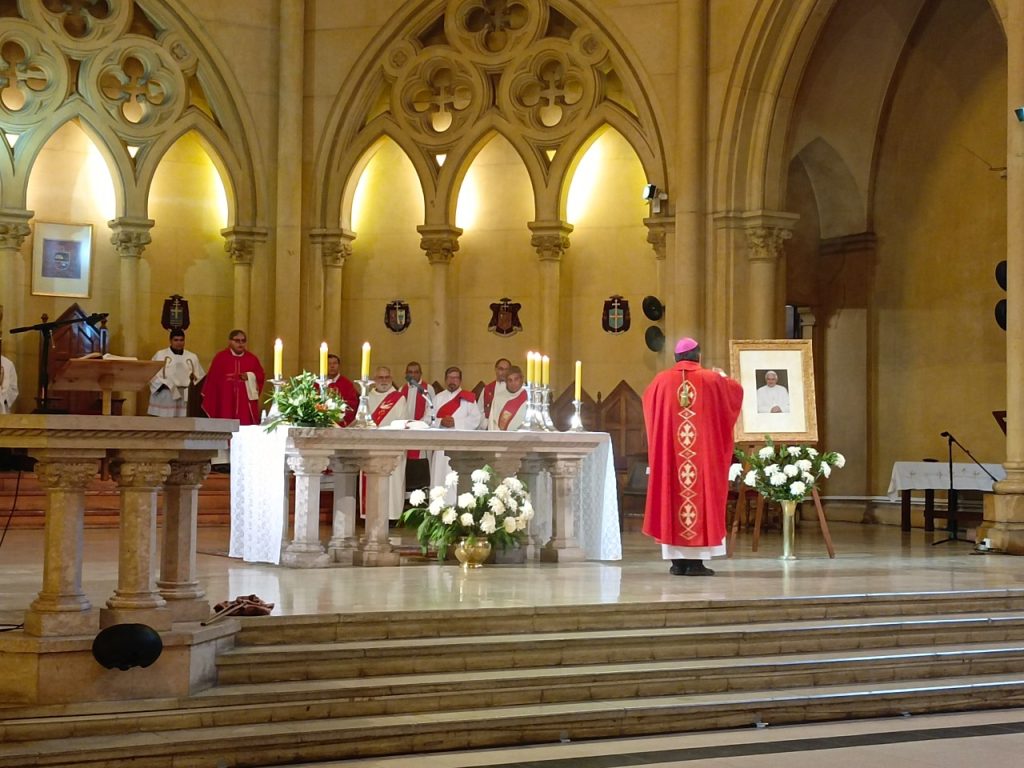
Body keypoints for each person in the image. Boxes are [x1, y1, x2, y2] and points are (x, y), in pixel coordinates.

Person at [642, 337, 743, 577]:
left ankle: (676, 563)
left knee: (672, 498)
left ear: (676, 358)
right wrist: (724, 378)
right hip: (702, 459)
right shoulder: (712, 379)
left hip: (671, 460)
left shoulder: (660, 381)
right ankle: (696, 563)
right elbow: (735, 393)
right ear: (698, 355)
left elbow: (648, 403)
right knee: (701, 496)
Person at [202, 329, 266, 425]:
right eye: (237, 341)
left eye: (243, 341)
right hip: (225, 402)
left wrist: (249, 376)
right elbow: (212, 381)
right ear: (230, 341)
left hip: (244, 405)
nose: (240, 344)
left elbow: (260, 377)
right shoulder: (220, 358)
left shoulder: (252, 359)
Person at [147, 329, 205, 417]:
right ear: (170, 341)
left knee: (183, 424)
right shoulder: (160, 355)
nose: (179, 343)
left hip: (185, 396)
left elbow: (200, 377)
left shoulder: (192, 357)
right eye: (176, 340)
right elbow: (151, 373)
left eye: (181, 340)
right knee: (163, 424)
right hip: (166, 394)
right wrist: (163, 385)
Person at [488, 365, 527, 431]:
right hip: (502, 438)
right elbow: (492, 423)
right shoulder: (498, 398)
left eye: (516, 379)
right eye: (510, 380)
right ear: (506, 381)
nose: (513, 383)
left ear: (522, 379)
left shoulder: (529, 397)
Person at [325, 354, 359, 426]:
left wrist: (337, 409)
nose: (332, 366)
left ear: (339, 365)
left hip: (341, 424)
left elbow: (353, 404)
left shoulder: (347, 384)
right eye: (329, 363)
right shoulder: (317, 383)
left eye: (335, 363)